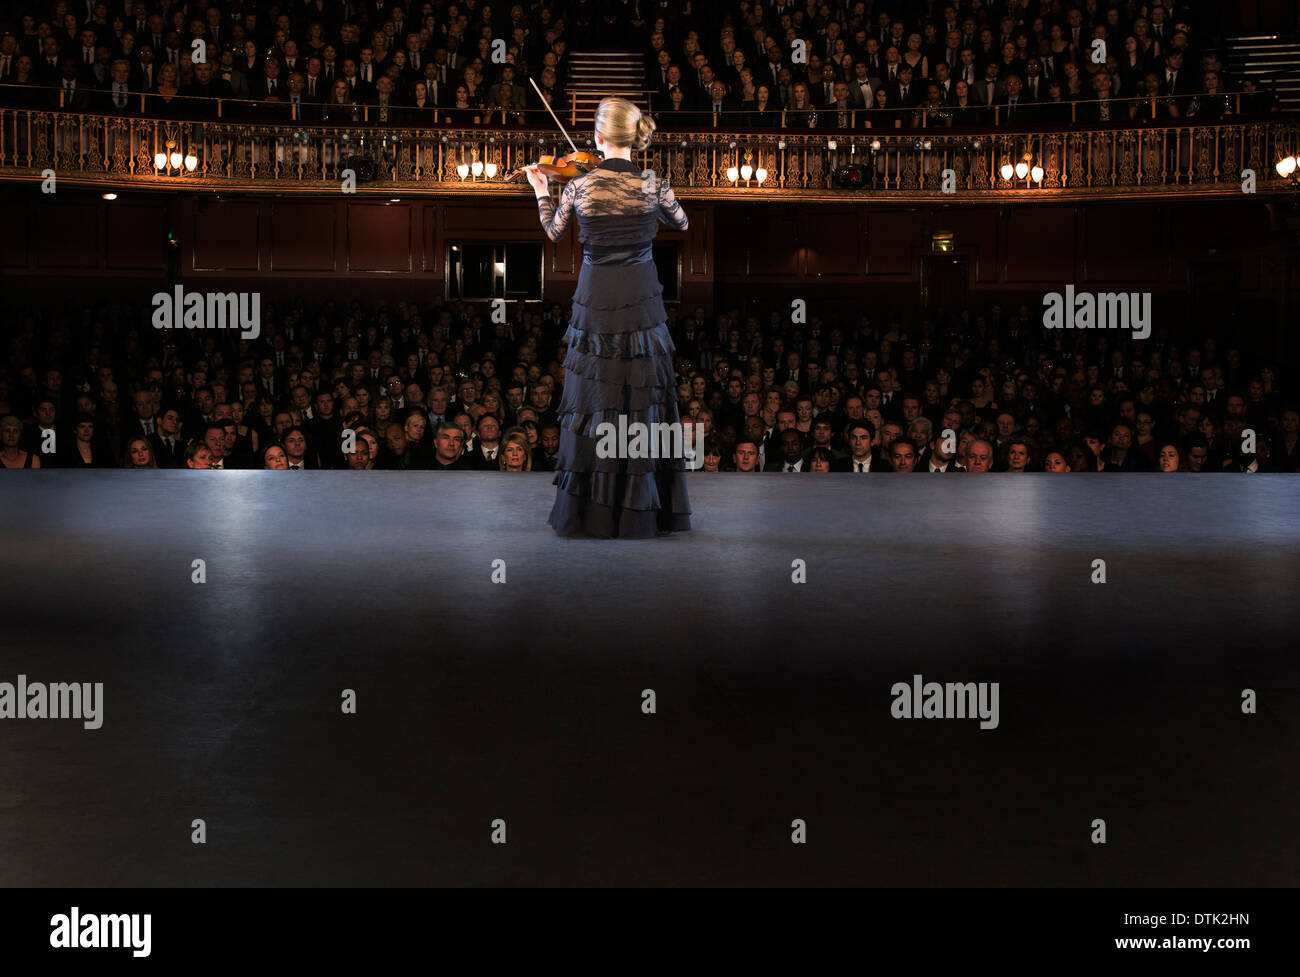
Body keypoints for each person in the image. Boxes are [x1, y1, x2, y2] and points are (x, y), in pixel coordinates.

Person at [526, 96, 690, 538]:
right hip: (640, 294)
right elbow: (682, 222)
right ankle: (642, 508)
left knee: (596, 393)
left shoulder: (579, 186)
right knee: (642, 393)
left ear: (597, 138)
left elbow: (553, 231)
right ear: (636, 140)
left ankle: (592, 512)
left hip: (597, 295)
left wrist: (544, 190)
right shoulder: (653, 182)